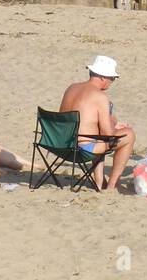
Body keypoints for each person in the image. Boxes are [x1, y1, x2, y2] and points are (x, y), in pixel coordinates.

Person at [58, 56, 135, 192]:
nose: (112, 82)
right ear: (102, 77)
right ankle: (112, 185)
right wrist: (113, 122)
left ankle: (99, 182)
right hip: (82, 149)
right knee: (129, 135)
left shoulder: (71, 88)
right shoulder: (100, 97)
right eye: (112, 78)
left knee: (97, 135)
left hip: (59, 144)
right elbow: (108, 135)